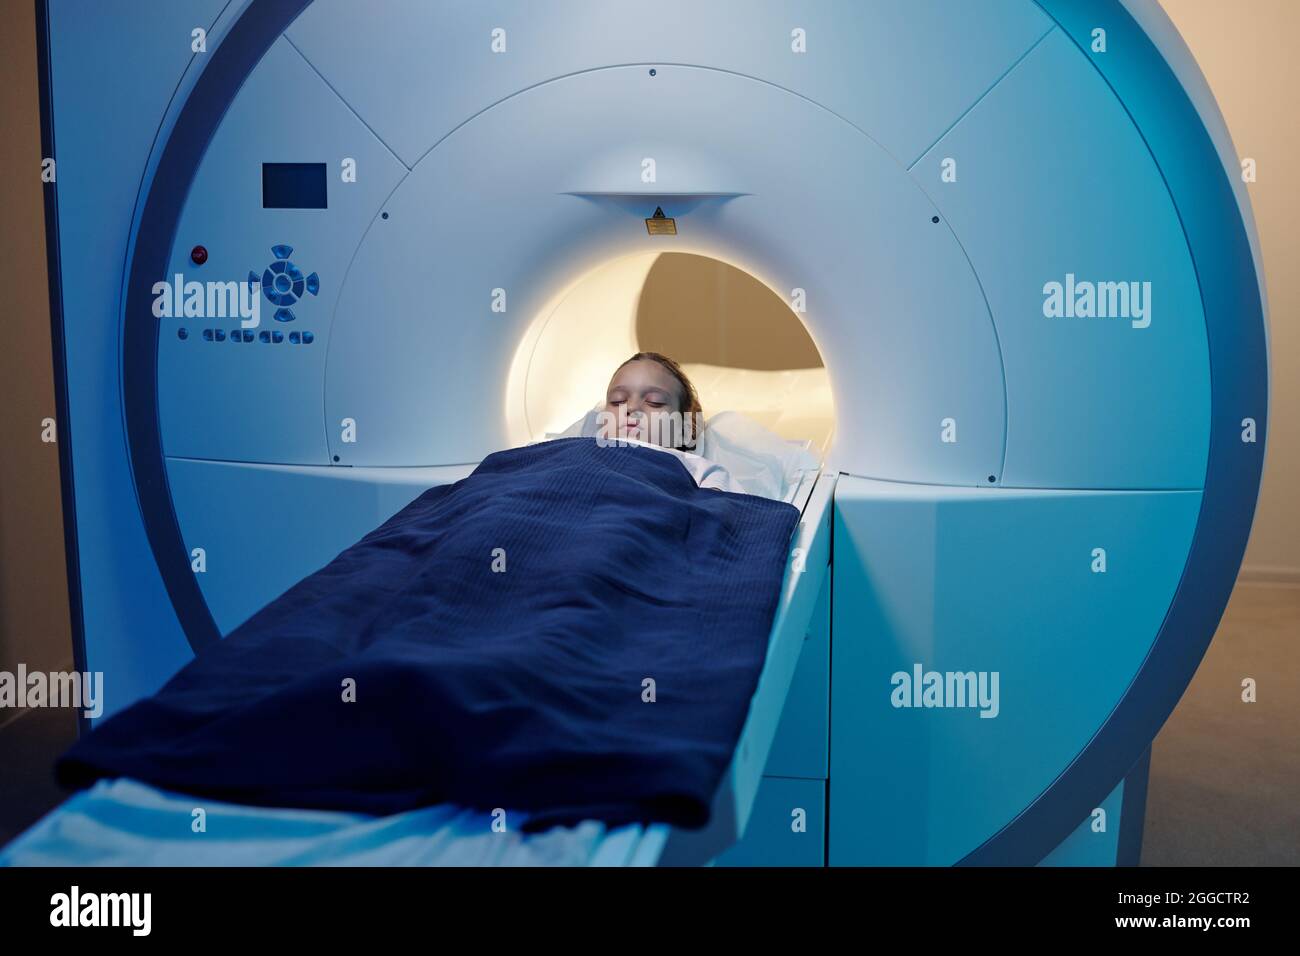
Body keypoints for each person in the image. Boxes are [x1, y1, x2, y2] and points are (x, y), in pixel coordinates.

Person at [596, 351, 744, 494]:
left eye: (654, 402)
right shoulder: (576, 452)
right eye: (618, 400)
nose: (631, 407)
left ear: (683, 428)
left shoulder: (704, 474)